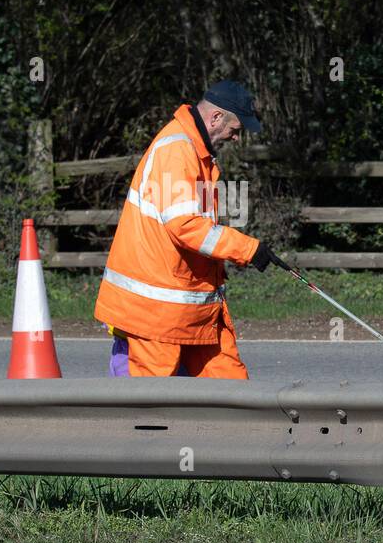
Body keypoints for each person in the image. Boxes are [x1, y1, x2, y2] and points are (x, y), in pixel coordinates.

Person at [95, 81, 277, 378]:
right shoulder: (178, 150)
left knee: (230, 396)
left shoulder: (197, 152)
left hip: (189, 303)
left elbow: (199, 228)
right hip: (156, 310)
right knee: (156, 410)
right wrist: (247, 249)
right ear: (216, 118)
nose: (235, 136)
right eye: (235, 128)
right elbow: (187, 226)